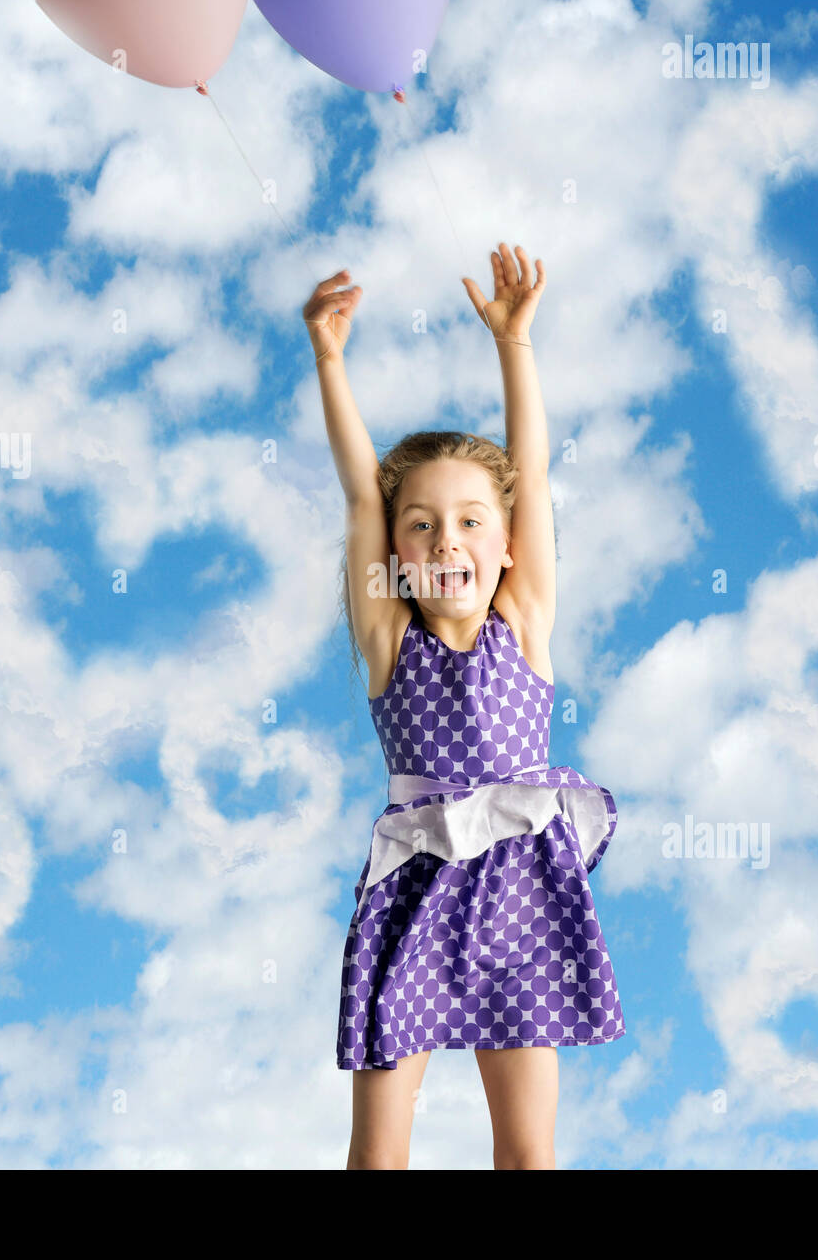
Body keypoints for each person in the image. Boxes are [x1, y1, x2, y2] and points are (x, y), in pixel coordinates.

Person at [305, 243, 624, 1170]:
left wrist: (514, 346)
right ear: (395, 553)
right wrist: (331, 361)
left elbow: (533, 471)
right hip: (412, 886)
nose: (447, 539)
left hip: (521, 888)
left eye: (473, 521)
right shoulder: (388, 642)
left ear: (510, 544)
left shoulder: (523, 621)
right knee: (378, 1160)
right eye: (422, 523)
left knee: (527, 1156)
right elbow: (363, 492)